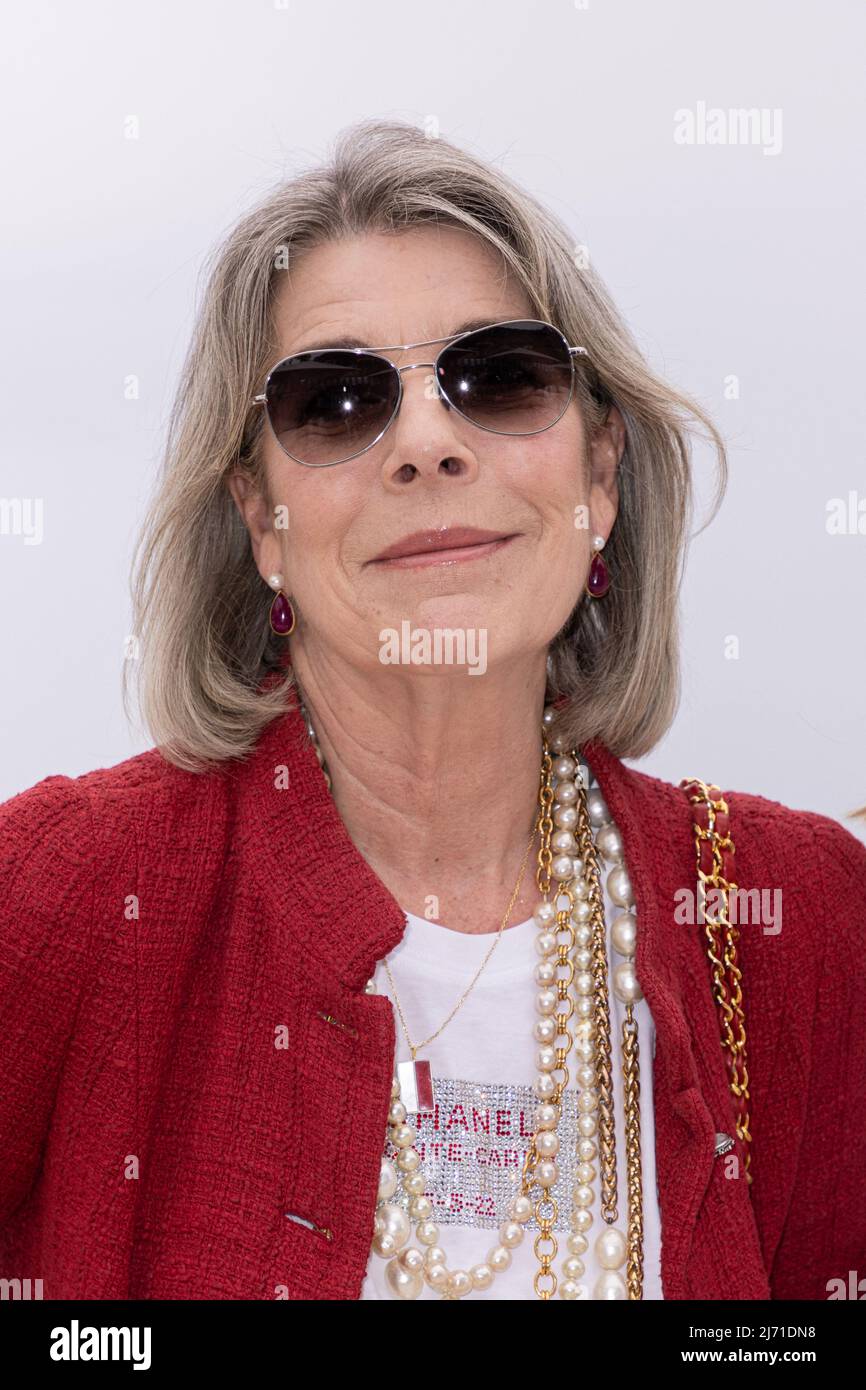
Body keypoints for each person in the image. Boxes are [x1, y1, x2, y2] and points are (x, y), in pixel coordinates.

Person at [1, 118, 864, 1302]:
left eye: (500, 377)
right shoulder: (67, 892)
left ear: (600, 475)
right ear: (261, 520)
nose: (423, 443)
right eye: (334, 402)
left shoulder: (793, 918)